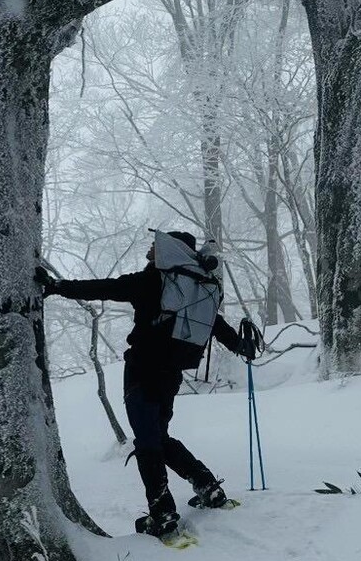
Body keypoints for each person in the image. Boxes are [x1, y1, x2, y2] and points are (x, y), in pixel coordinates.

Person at [36, 231, 256, 538]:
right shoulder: (194, 287)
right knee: (158, 436)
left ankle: (162, 513)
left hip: (141, 371)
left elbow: (106, 288)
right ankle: (207, 486)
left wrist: (57, 287)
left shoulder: (153, 280)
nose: (151, 248)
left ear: (170, 250)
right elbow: (216, 326)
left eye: (156, 245)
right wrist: (242, 346)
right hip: (171, 374)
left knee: (148, 441)